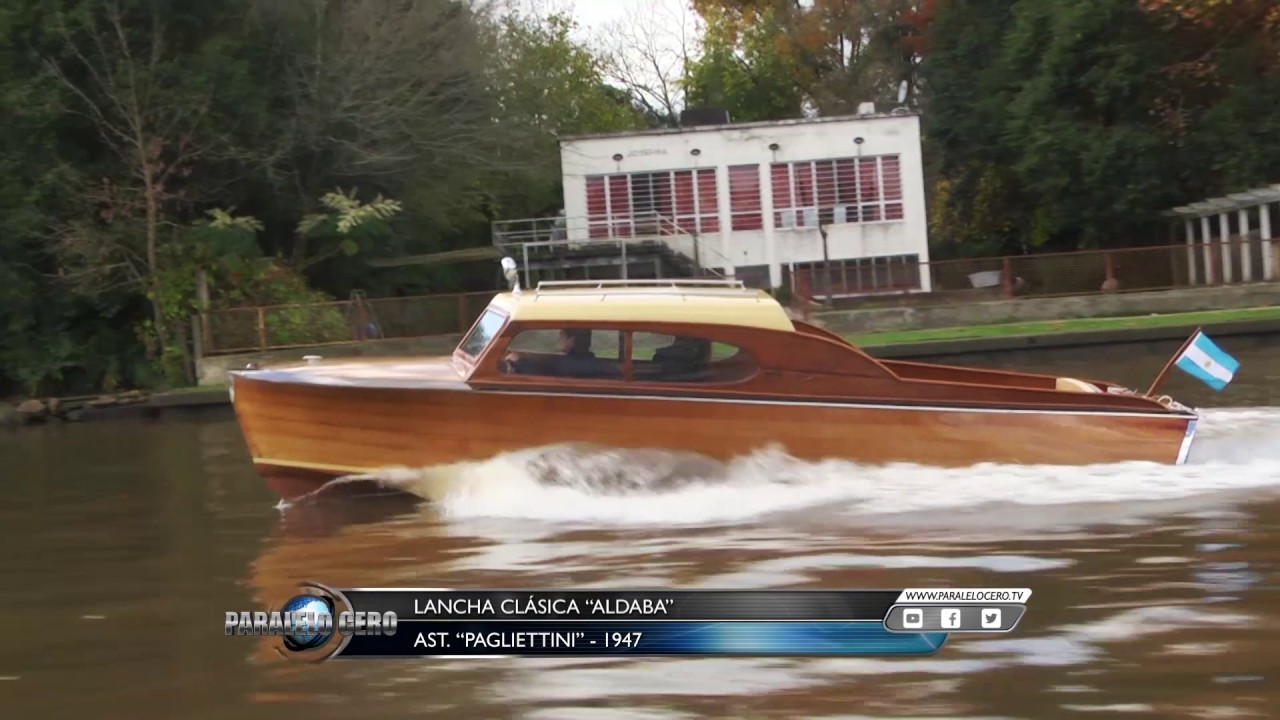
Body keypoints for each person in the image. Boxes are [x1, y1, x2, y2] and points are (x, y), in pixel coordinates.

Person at [504, 328, 619, 378]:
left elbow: (540, 370)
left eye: (562, 335)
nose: (559, 338)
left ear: (572, 340)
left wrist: (519, 361)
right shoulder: (589, 361)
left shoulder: (566, 365)